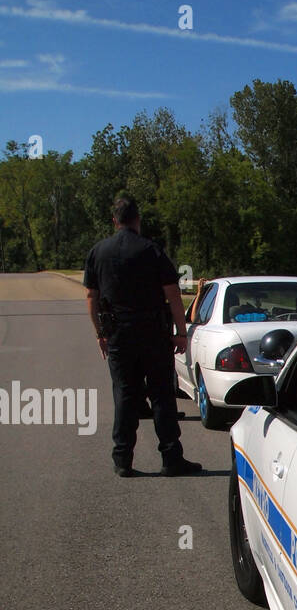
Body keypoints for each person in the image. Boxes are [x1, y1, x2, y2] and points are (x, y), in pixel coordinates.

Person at [83, 195, 201, 477]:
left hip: (119, 335)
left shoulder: (99, 252)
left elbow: (91, 295)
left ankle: (122, 459)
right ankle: (171, 457)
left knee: (124, 394)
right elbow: (173, 294)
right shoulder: (152, 251)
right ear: (138, 219)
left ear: (114, 221)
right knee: (161, 395)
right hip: (153, 333)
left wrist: (100, 333)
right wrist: (181, 333)